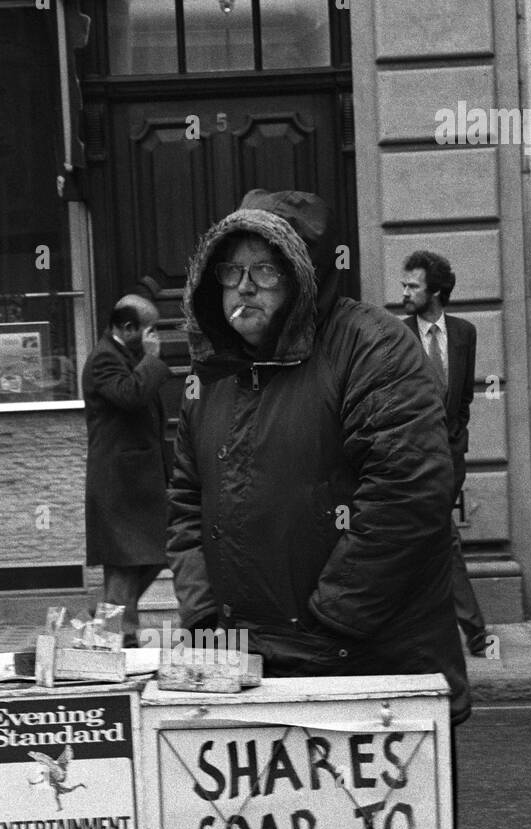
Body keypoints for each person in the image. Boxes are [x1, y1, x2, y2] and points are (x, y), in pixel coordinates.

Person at [167, 189, 471, 726]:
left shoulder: (372, 347)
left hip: (371, 674)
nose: (244, 286)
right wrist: (205, 615)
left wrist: (331, 619)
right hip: (254, 674)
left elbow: (408, 493)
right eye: (230, 271)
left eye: (265, 270)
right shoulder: (210, 375)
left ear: (302, 274)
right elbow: (188, 505)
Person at [401, 250, 490, 657]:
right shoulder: (398, 335)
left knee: (432, 538)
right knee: (438, 538)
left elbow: (465, 397)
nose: (404, 292)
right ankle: (474, 630)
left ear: (434, 291)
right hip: (412, 458)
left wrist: (456, 440)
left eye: (412, 286)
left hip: (450, 457)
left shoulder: (464, 332)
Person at [83, 295, 172, 647]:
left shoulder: (126, 355)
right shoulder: (104, 358)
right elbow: (130, 396)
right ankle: (117, 628)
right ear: (126, 327)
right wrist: (151, 359)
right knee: (126, 561)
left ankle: (112, 618)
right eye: (148, 329)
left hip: (136, 481)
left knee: (155, 553)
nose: (154, 337)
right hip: (119, 483)